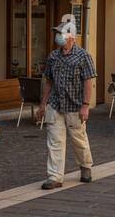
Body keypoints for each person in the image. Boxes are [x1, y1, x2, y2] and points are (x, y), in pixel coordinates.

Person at [38, 15, 96, 190]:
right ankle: (55, 176)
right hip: (56, 105)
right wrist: (43, 104)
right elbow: (48, 81)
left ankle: (85, 167)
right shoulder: (53, 56)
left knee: (78, 139)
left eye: (60, 33)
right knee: (55, 140)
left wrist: (85, 106)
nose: (58, 36)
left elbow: (88, 81)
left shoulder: (83, 56)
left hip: (75, 105)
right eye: (57, 33)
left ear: (71, 36)